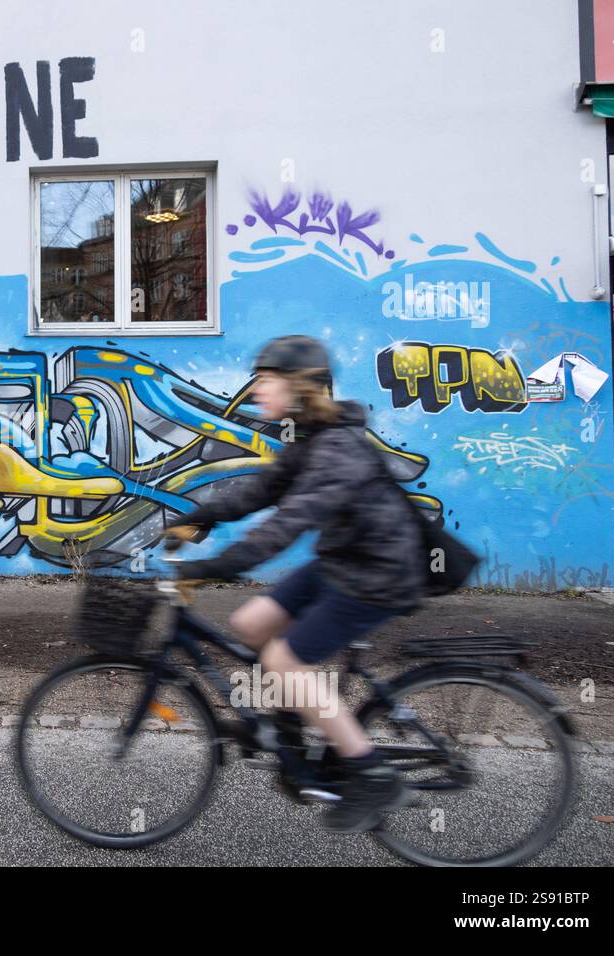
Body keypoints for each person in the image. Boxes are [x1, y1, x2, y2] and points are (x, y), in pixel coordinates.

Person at [162, 335, 426, 833]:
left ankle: (373, 776)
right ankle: (289, 732)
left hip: (378, 574)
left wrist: (216, 566)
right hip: (344, 561)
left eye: (266, 380)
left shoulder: (337, 449)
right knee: (250, 623)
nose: (257, 390)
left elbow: (288, 522)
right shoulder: (313, 437)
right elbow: (264, 489)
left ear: (298, 387)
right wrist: (201, 516)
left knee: (284, 659)